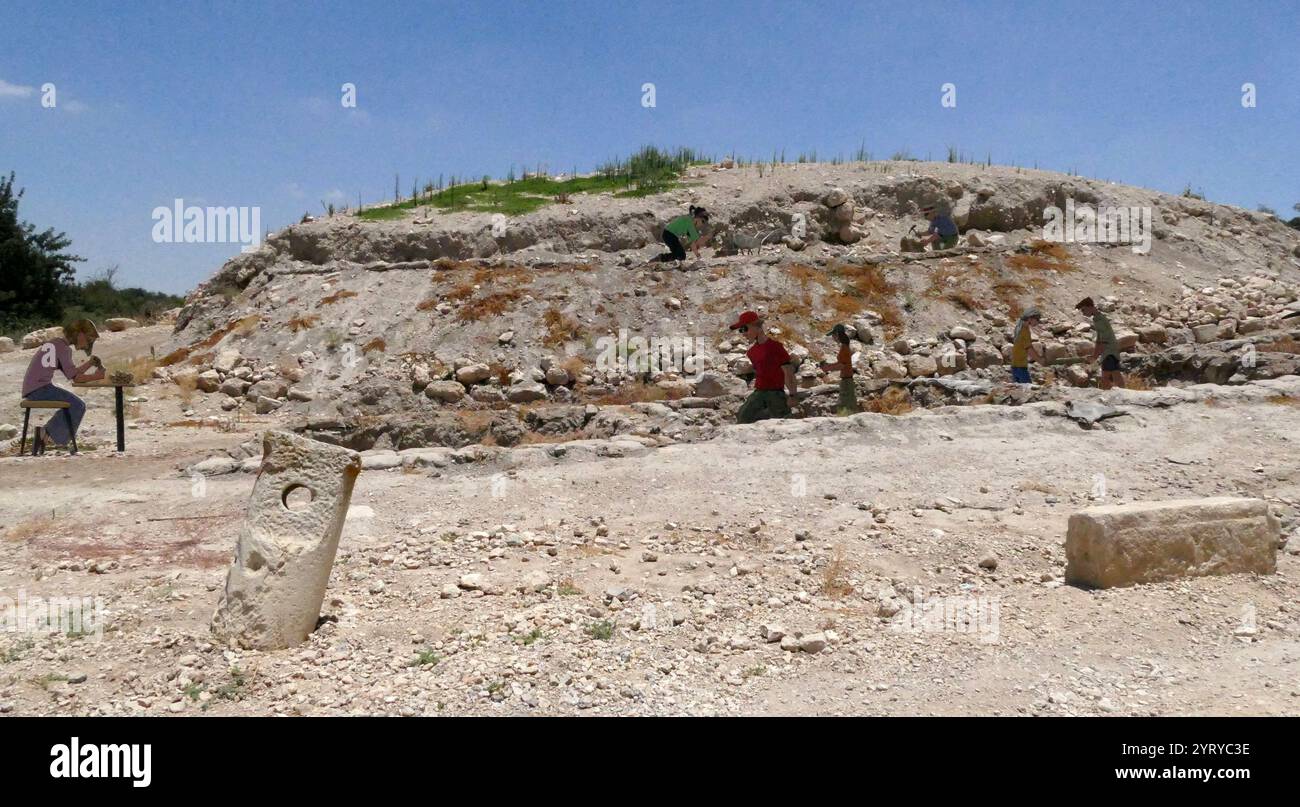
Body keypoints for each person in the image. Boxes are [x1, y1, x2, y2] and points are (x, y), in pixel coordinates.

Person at [21, 319, 105, 453]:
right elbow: (75, 377)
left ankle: (47, 434)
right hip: (40, 389)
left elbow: (71, 372)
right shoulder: (64, 349)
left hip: (33, 388)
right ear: (80, 335)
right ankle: (50, 435)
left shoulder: (55, 344)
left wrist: (89, 363)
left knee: (74, 404)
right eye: (88, 339)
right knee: (78, 405)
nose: (87, 344)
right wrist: (97, 376)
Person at [729, 310, 798, 423]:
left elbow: (788, 372)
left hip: (776, 393)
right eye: (741, 330)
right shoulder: (751, 352)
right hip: (759, 392)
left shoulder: (776, 347)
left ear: (756, 326)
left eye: (744, 329)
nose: (743, 333)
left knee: (782, 421)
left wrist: (792, 395)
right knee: (743, 416)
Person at [1076, 297, 1124, 390]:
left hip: (1108, 352)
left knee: (1106, 377)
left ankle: (1110, 396)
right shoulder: (1098, 318)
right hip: (1111, 350)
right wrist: (1095, 355)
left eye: (1084, 310)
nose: (1083, 313)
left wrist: (1094, 357)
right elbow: (1099, 339)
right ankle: (1124, 393)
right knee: (1115, 374)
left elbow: (1103, 342)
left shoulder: (1100, 320)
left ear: (1090, 307)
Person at [819, 323, 857, 414]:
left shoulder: (844, 348)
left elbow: (842, 365)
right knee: (847, 404)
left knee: (845, 406)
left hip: (847, 381)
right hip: (847, 380)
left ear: (837, 335)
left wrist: (827, 368)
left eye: (833, 335)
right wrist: (828, 365)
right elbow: (841, 363)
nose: (832, 337)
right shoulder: (844, 347)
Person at [1009, 307, 1044, 384]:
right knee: (1028, 390)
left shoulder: (1019, 327)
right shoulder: (1024, 331)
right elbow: (1029, 348)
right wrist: (1040, 360)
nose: (1038, 322)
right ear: (1030, 318)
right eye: (1037, 319)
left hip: (1014, 366)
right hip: (1021, 367)